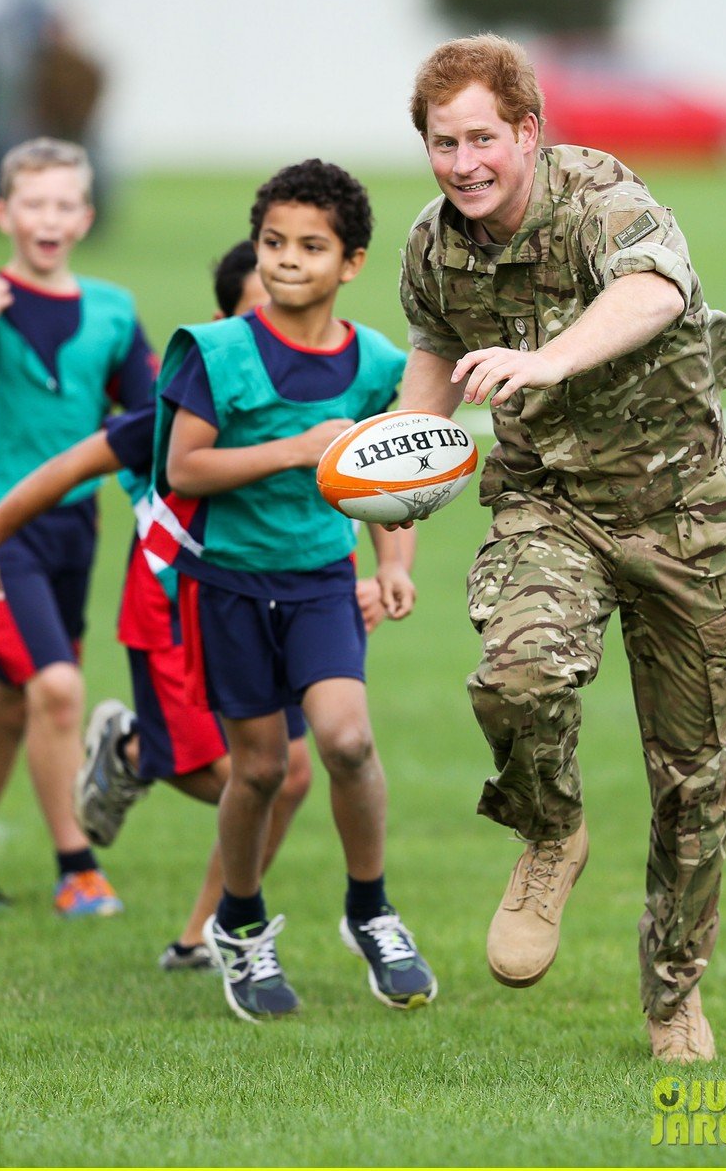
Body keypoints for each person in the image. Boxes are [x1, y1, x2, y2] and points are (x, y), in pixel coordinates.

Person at [396, 36, 726, 1062]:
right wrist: (389, 466)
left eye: (480, 139)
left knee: (691, 777)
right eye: (440, 142)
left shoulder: (600, 197)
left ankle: (673, 996)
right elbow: (431, 361)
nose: (462, 162)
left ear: (526, 132)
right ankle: (549, 828)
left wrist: (543, 359)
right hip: (548, 504)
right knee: (516, 677)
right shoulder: (432, 245)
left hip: (686, 515)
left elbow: (654, 292)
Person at [0, 239, 416, 969]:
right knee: (240, 778)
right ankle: (134, 753)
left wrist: (379, 575)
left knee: (289, 775)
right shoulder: (193, 400)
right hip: (176, 611)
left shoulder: (337, 389)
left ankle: (204, 936)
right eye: (262, 308)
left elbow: (366, 493)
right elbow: (74, 463)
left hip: (293, 601)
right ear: (226, 325)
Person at [149, 159, 437, 1022]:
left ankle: (370, 907)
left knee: (347, 742)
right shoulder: (217, 351)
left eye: (312, 246)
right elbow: (183, 467)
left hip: (320, 581)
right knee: (263, 768)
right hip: (229, 584)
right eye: (274, 242)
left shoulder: (379, 362)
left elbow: (389, 482)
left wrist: (394, 566)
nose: (286, 259)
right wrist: (292, 448)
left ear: (350, 263)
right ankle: (238, 924)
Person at [0, 136, 157, 917]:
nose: (48, 218)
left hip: (72, 531)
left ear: (83, 215)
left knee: (14, 699)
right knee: (55, 686)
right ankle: (77, 866)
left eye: (63, 203)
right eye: (32, 203)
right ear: (3, 212)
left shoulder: (112, 311)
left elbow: (147, 421)